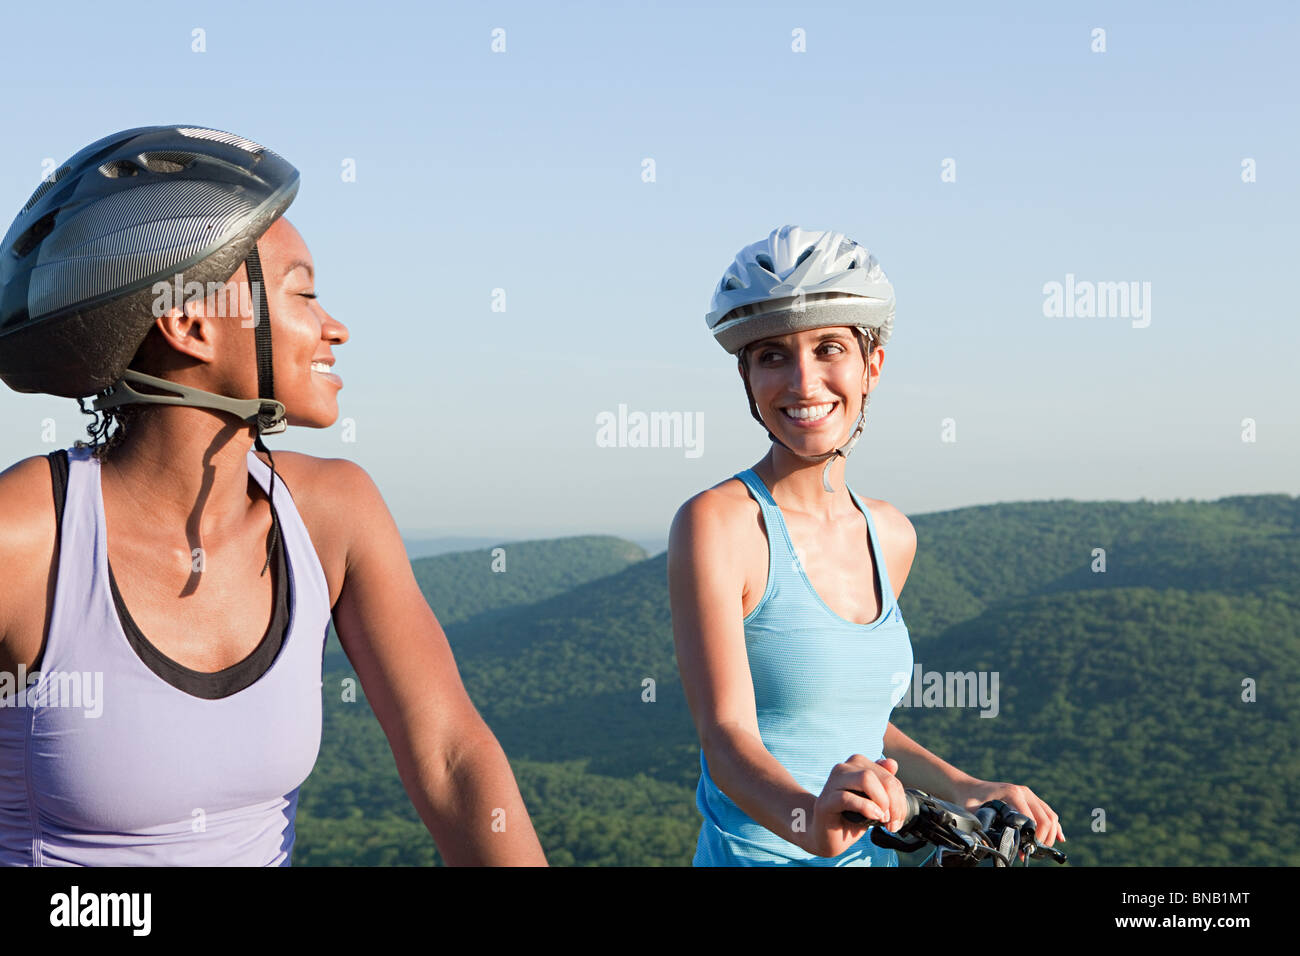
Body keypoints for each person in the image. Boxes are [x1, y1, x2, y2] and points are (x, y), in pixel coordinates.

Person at [0, 125, 547, 866]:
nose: (335, 327)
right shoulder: (28, 536)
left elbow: (449, 756)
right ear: (190, 323)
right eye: (304, 293)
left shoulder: (333, 513)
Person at [669, 224, 1064, 865]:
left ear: (872, 364)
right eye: (772, 356)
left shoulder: (892, 535)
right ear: (747, 378)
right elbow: (727, 736)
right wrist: (808, 822)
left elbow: (844, 714)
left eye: (829, 348)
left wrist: (967, 788)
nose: (803, 381)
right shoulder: (718, 522)